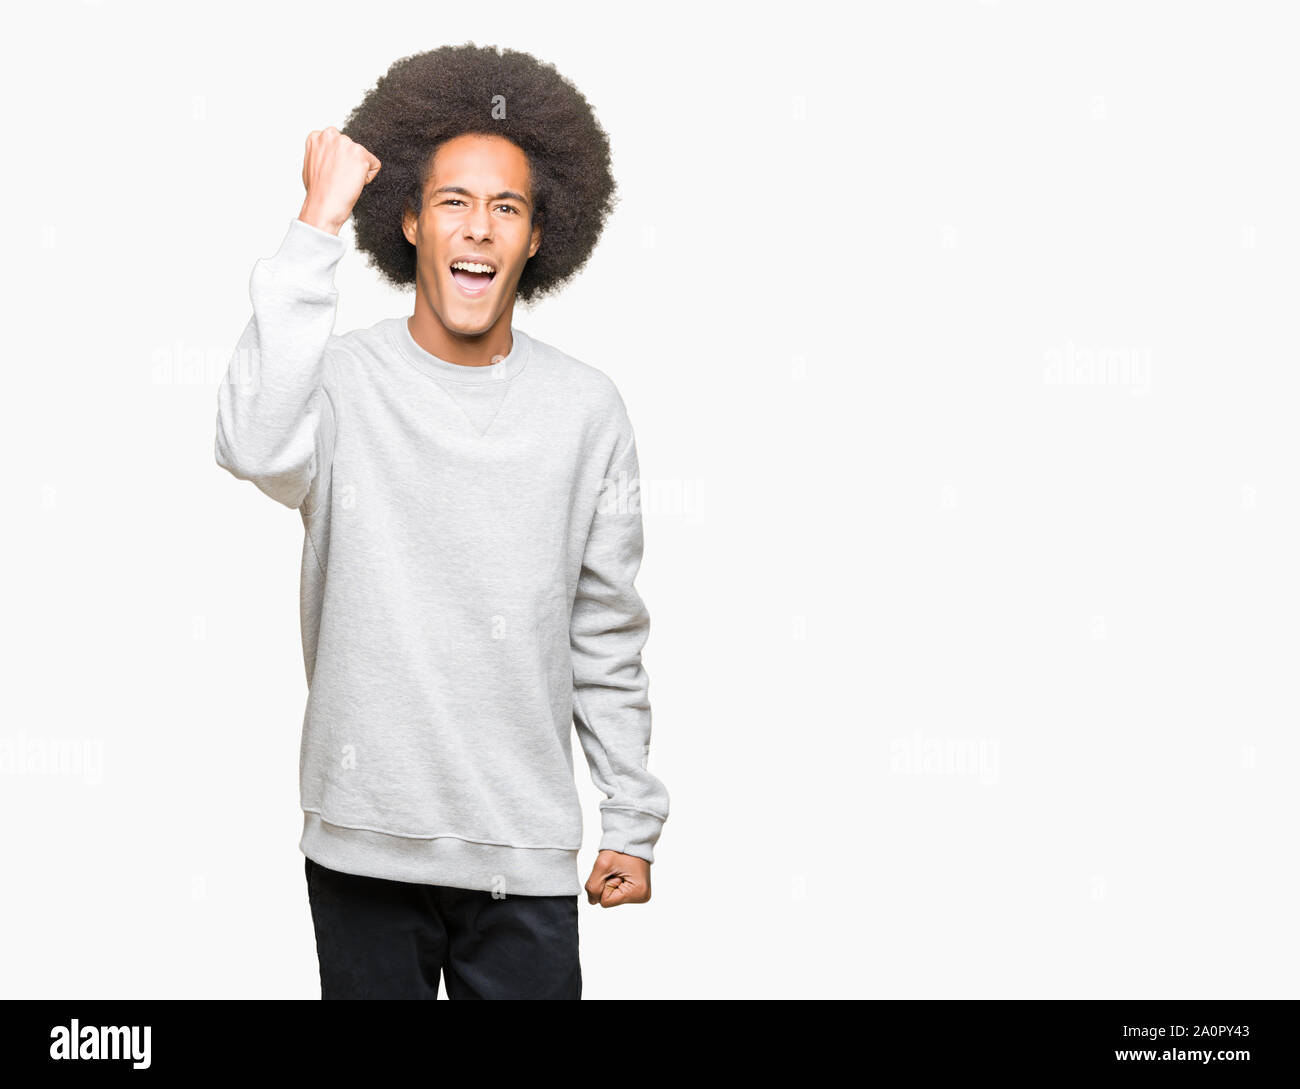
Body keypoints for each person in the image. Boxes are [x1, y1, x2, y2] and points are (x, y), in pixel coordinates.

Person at [213, 43, 668, 1000]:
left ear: (539, 236)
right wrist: (314, 224)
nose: (479, 227)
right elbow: (253, 444)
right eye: (454, 200)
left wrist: (631, 814)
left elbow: (606, 626)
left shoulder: (588, 409)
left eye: (506, 207)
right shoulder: (338, 382)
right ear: (411, 221)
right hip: (363, 844)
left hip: (526, 853)